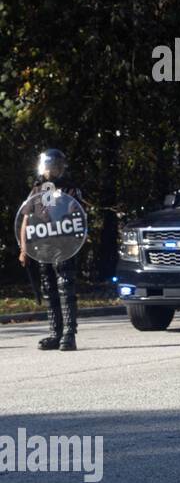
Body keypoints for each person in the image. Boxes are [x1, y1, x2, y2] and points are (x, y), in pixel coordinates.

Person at [18, 149, 83, 351]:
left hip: (63, 245)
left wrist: (76, 242)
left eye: (54, 166)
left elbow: (79, 218)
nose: (50, 170)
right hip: (43, 245)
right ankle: (55, 333)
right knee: (49, 288)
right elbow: (26, 220)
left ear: (61, 168)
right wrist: (23, 248)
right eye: (48, 166)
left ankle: (69, 334)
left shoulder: (70, 190)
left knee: (65, 286)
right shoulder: (37, 190)